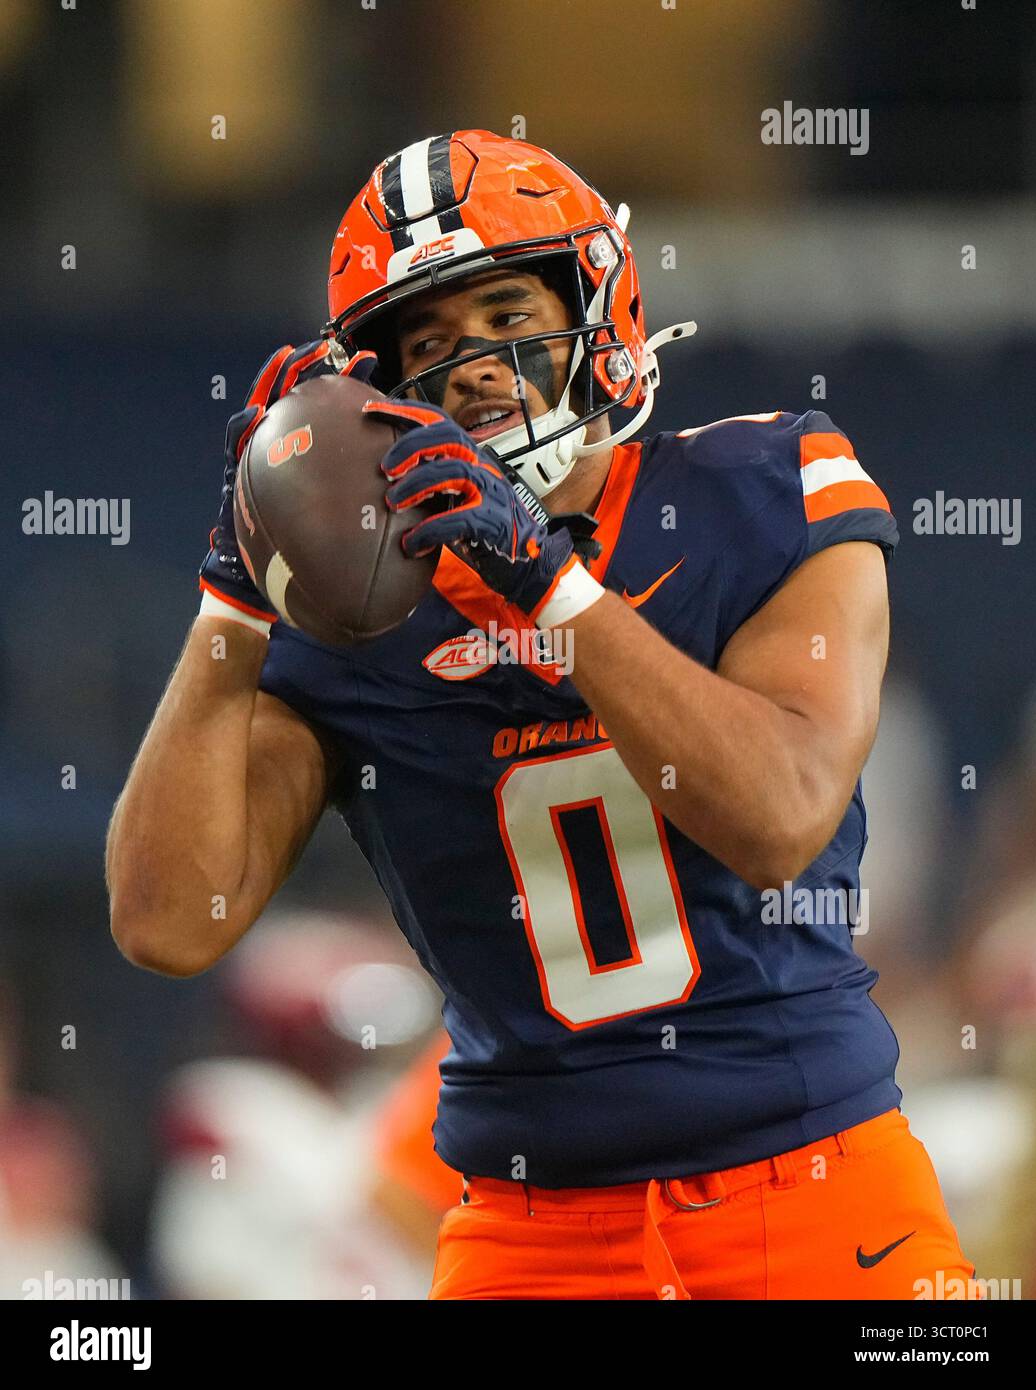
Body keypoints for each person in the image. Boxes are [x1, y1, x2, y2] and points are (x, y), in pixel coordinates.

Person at [107, 129, 976, 1300]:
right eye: (428, 342)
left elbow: (779, 815)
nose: (471, 369)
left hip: (815, 1195)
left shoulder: (765, 489)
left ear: (598, 307)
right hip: (532, 1227)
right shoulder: (356, 621)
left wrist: (551, 591)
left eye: (509, 316)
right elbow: (167, 921)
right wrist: (233, 600)